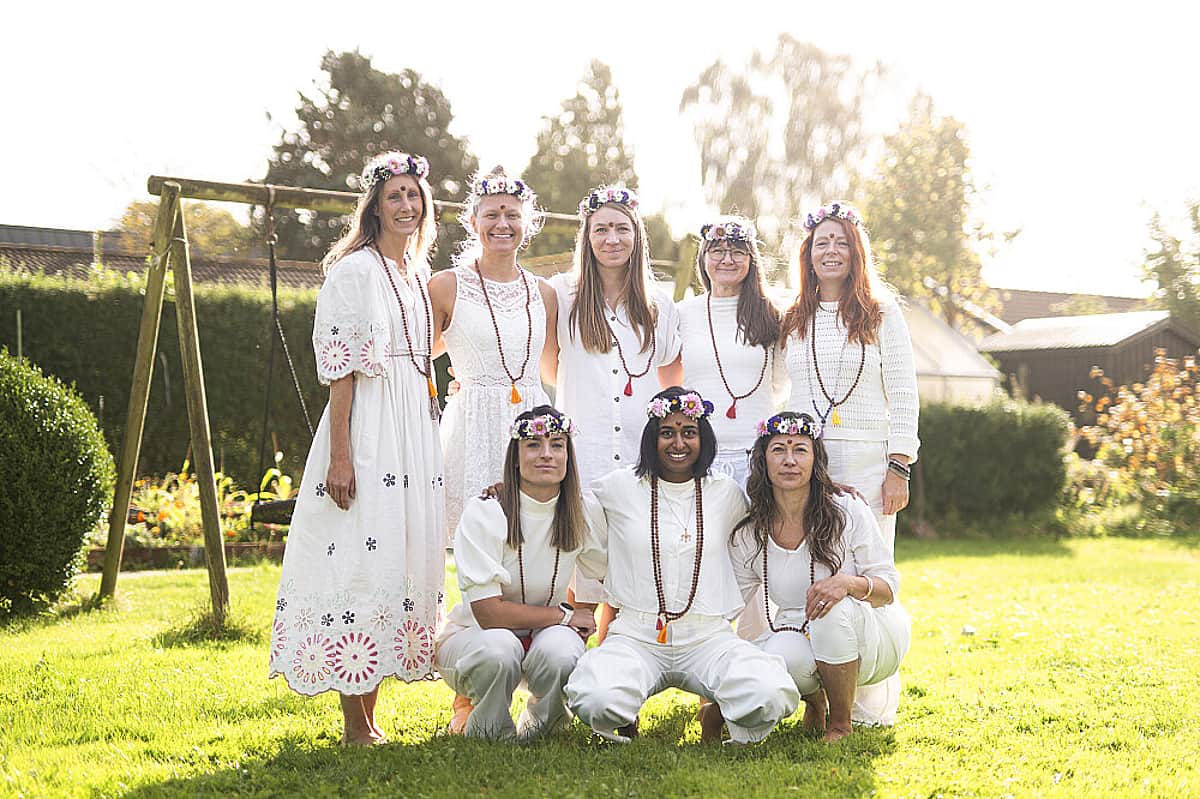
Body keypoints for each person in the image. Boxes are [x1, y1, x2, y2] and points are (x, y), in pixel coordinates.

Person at [268, 151, 445, 745]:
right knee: (361, 559)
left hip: (411, 429)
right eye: (394, 195)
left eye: (413, 196)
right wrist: (341, 456)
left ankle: (370, 717)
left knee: (395, 555)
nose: (406, 206)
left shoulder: (414, 275)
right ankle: (353, 724)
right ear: (374, 206)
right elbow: (340, 371)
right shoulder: (355, 271)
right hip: (368, 428)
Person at [564, 387, 799, 744]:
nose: (678, 443)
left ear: (702, 437)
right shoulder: (618, 487)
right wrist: (510, 488)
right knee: (597, 698)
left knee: (768, 693)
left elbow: (774, 514)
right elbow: (566, 501)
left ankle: (718, 710)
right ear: (651, 438)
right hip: (636, 634)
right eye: (667, 432)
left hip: (707, 635)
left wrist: (831, 492)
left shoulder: (727, 493)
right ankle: (623, 710)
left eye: (689, 432)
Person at [780, 201, 919, 725]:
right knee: (811, 569)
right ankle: (817, 696)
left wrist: (898, 466)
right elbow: (785, 395)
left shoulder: (883, 313)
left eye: (841, 242)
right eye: (821, 243)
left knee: (863, 571)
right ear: (808, 256)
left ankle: (865, 702)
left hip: (867, 461)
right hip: (811, 464)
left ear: (856, 252)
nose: (831, 251)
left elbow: (904, 395)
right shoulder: (794, 317)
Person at [547, 185, 681, 639]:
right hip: (583, 454)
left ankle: (614, 679)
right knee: (577, 572)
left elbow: (671, 381)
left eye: (621, 228)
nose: (611, 238)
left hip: (637, 461)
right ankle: (558, 684)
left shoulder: (660, 305)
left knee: (629, 573)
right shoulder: (562, 296)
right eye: (600, 228)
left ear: (637, 236)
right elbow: (549, 365)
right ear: (586, 236)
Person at [729, 411, 911, 742]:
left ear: (815, 460)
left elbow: (889, 589)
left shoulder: (846, 508)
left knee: (832, 608)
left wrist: (847, 583)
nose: (789, 460)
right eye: (778, 450)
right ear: (763, 460)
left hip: (871, 633)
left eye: (800, 449)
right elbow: (728, 604)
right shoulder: (752, 530)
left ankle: (840, 724)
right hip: (799, 630)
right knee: (777, 658)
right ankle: (815, 700)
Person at [435, 406, 604, 740]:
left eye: (557, 445)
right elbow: (487, 612)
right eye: (533, 444)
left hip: (543, 635)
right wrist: (567, 615)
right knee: (500, 647)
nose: (546, 454)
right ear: (515, 456)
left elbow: (606, 570)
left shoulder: (582, 512)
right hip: (476, 638)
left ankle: (544, 727)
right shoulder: (486, 511)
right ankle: (485, 728)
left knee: (561, 650)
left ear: (568, 457)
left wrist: (583, 617)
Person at [429, 167, 558, 539]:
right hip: (471, 424)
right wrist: (461, 379)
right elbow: (421, 356)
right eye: (492, 215)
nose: (502, 224)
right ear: (473, 222)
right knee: (474, 535)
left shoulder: (545, 293)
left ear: (527, 224)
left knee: (530, 536)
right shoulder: (445, 285)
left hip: (530, 421)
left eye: (512, 215)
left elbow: (552, 371)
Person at [662, 216, 787, 486]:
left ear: (751, 260)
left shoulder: (772, 314)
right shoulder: (682, 313)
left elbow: (778, 384)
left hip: (758, 454)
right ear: (703, 257)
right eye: (717, 250)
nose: (727, 259)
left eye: (738, 251)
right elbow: (670, 383)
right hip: (700, 455)